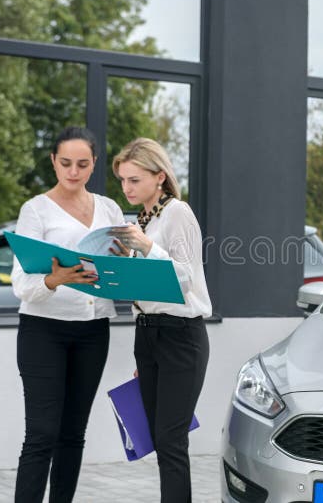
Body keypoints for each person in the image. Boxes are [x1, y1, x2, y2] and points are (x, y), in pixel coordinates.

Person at [11, 126, 126, 503]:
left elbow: (125, 269)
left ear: (94, 164)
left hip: (93, 331)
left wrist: (123, 264)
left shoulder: (109, 208)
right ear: (53, 162)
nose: (72, 172)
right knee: (42, 434)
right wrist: (54, 279)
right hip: (43, 331)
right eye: (65, 163)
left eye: (81, 164)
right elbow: (20, 285)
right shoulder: (36, 210)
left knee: (73, 433)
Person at [110, 137, 211, 503]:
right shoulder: (143, 219)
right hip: (149, 336)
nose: (126, 187)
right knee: (158, 437)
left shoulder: (177, 213)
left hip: (181, 336)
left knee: (170, 440)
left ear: (160, 176)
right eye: (122, 180)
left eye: (134, 179)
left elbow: (185, 277)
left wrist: (147, 247)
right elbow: (147, 288)